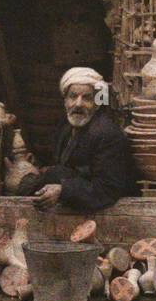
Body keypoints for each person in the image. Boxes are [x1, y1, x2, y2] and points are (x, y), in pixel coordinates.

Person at [9, 67, 137, 213]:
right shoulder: (67, 125)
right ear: (65, 100)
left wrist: (63, 191)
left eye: (87, 98)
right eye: (73, 96)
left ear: (97, 102)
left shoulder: (107, 134)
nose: (78, 104)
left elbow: (107, 190)